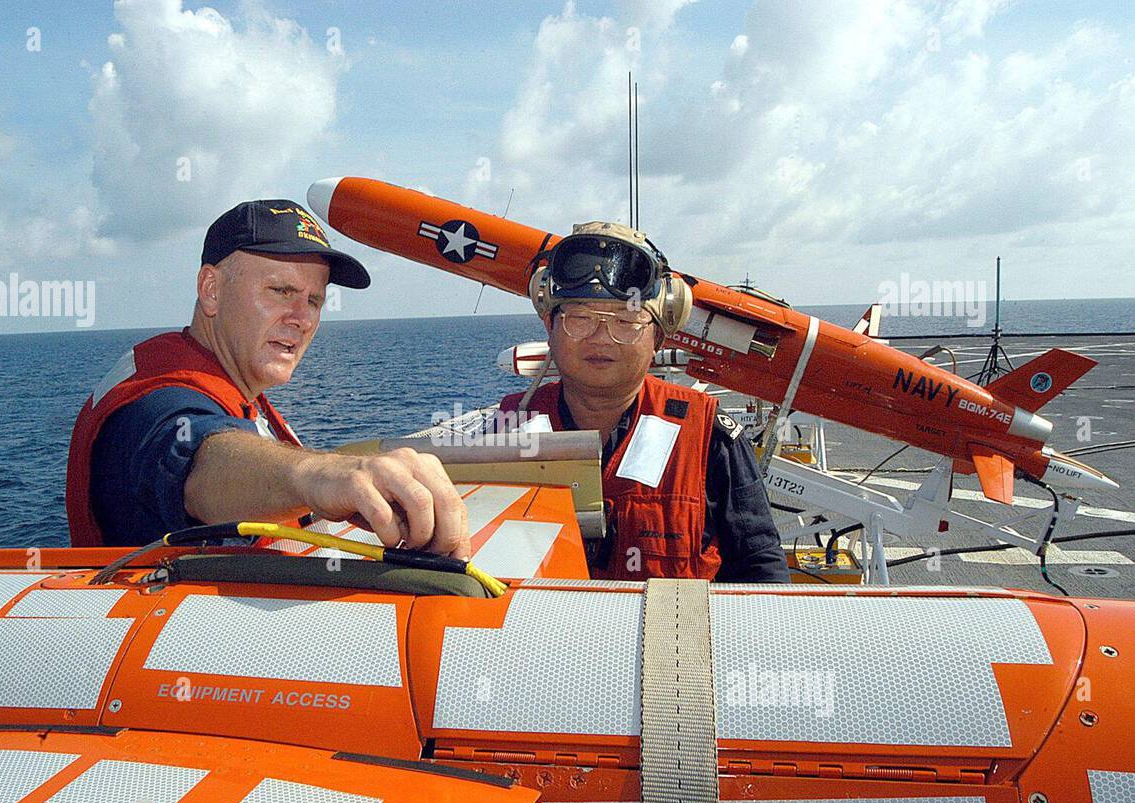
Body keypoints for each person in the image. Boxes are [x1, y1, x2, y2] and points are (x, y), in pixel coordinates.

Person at [66, 200, 469, 556]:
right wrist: (319, 476)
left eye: (314, 300)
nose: (303, 318)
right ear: (211, 290)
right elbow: (199, 462)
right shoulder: (154, 403)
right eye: (280, 291)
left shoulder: (229, 385)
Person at [494, 222, 790, 583]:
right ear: (549, 326)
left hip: (668, 637)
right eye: (580, 318)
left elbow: (761, 570)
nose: (601, 337)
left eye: (626, 321)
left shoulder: (707, 438)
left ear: (659, 338)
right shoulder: (507, 431)